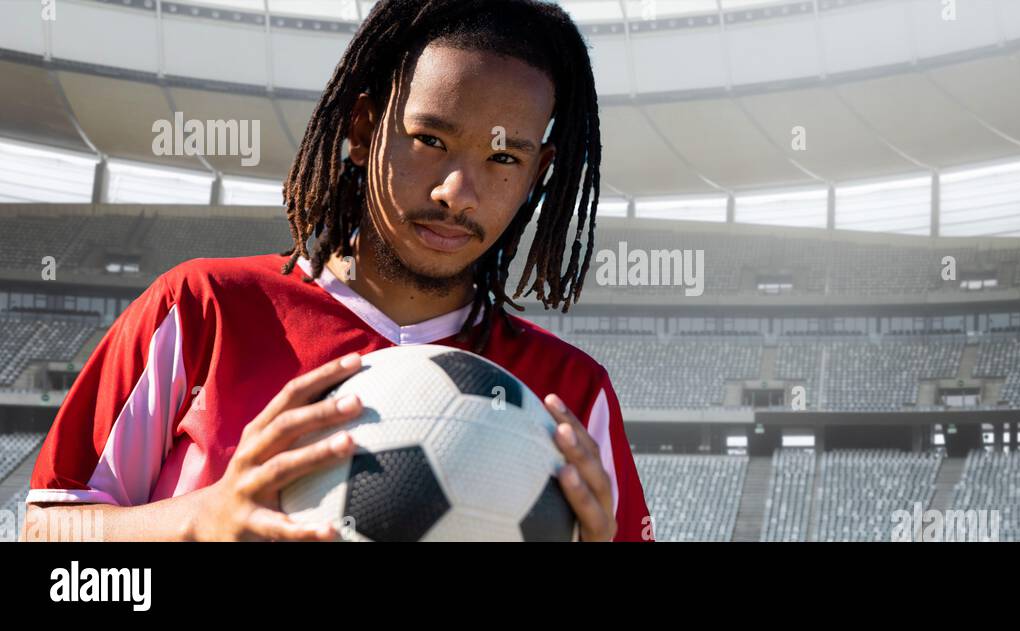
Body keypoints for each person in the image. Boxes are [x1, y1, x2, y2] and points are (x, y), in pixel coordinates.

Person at [24, 0, 652, 542]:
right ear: (362, 128)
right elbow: (50, 541)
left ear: (537, 174)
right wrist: (203, 520)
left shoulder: (572, 395)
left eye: (502, 157)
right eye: (429, 140)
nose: (457, 192)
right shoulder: (204, 308)